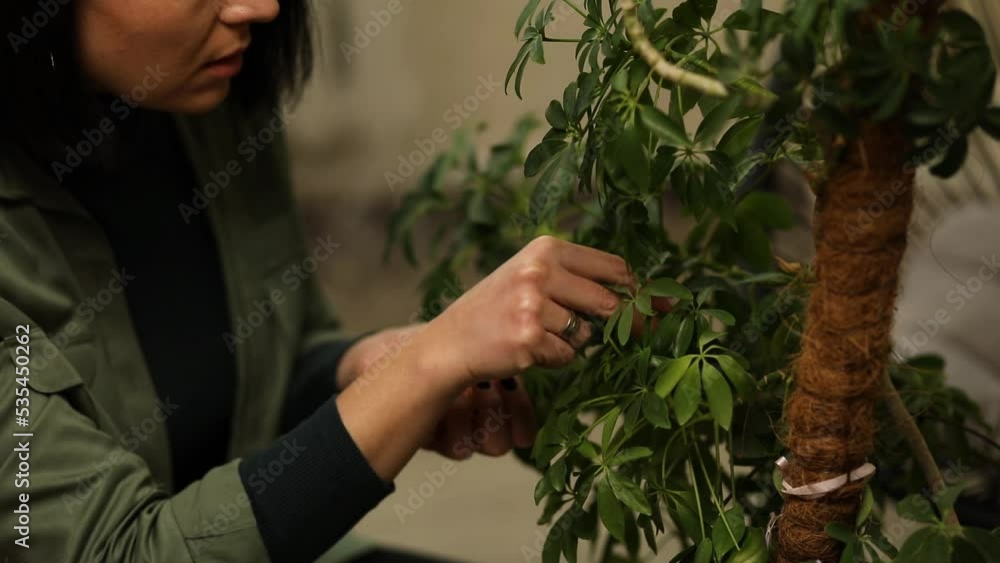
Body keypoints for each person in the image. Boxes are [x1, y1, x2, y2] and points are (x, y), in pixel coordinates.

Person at [0, 1, 639, 562]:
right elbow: (120, 551)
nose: (261, 7)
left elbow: (272, 364)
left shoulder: (206, 106)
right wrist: (427, 361)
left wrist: (368, 372)